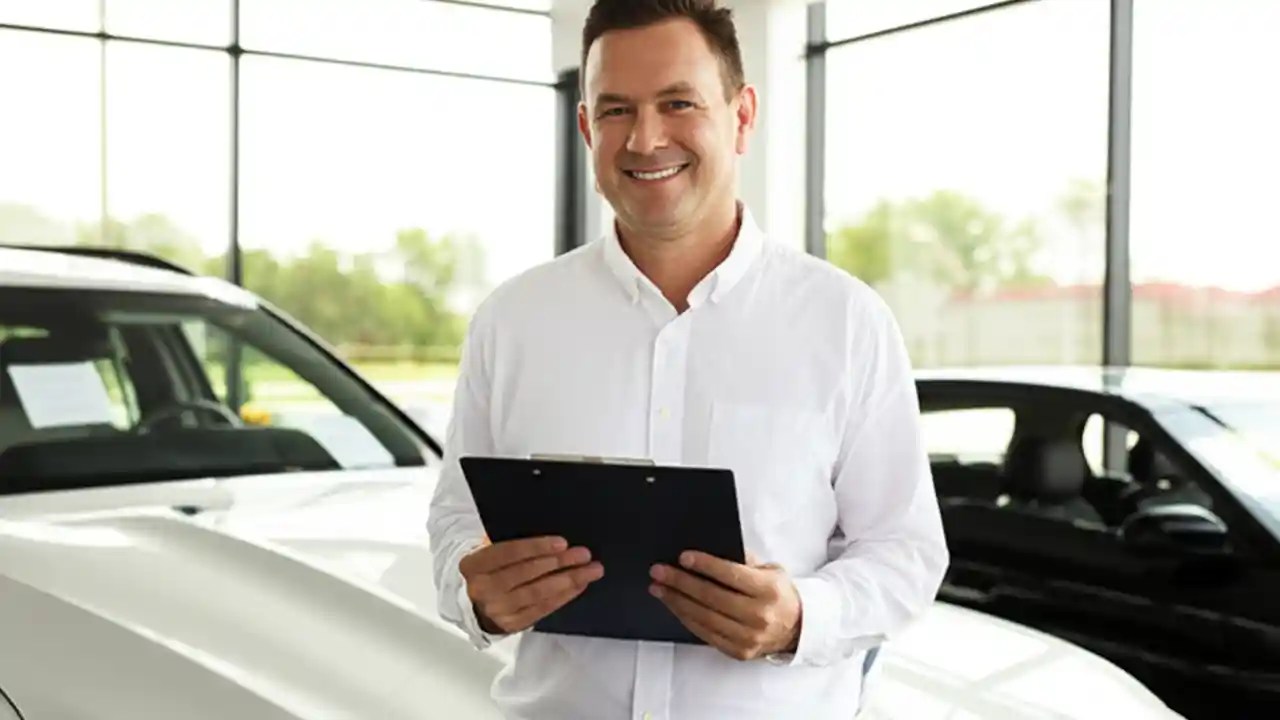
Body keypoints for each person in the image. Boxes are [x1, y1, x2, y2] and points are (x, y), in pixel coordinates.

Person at [427, 1, 949, 717]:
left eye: (678, 102)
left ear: (741, 115)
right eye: (615, 110)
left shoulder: (847, 323)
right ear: (586, 127)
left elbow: (906, 551)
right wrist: (474, 593)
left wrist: (803, 615)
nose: (645, 138)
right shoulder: (512, 323)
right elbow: (458, 516)